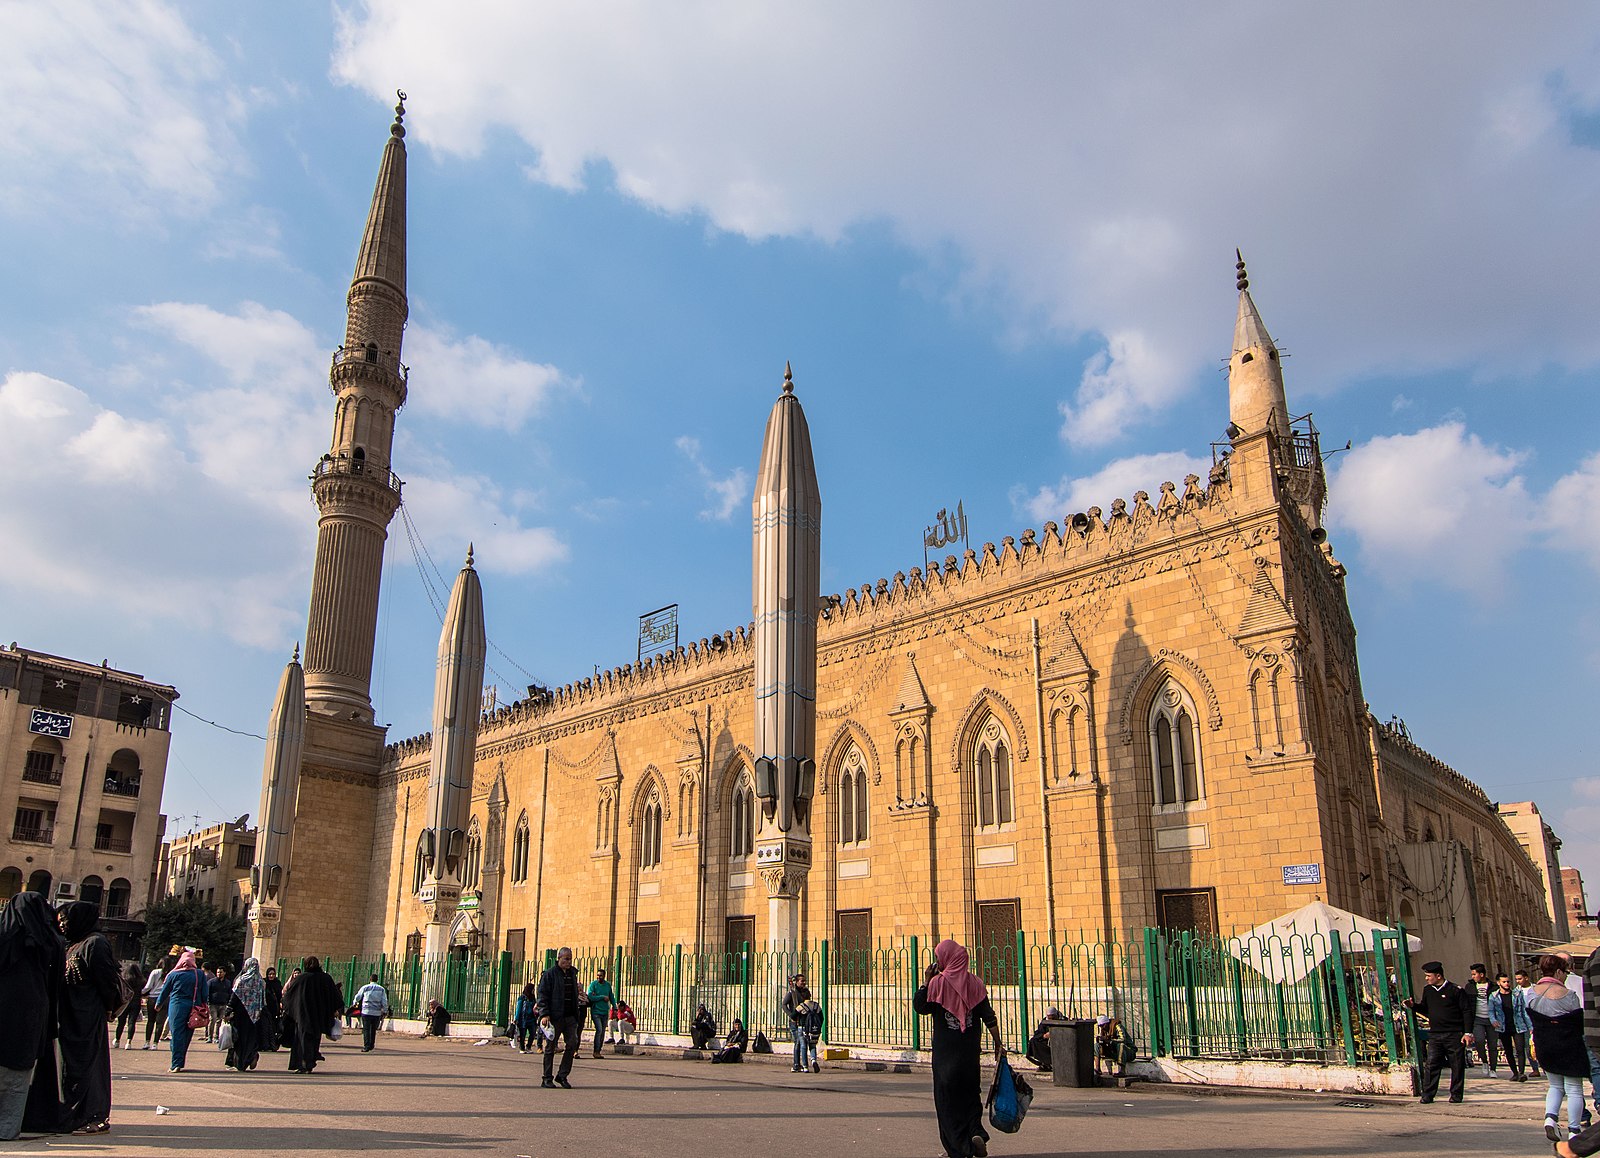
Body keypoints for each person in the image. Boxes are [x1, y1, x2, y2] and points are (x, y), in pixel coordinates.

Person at [914, 939, 1005, 1158]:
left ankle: (959, 1149)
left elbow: (920, 1006)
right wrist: (998, 1043)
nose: (938, 962)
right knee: (970, 1094)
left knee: (947, 1101)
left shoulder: (937, 984)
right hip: (969, 1053)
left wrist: (926, 980)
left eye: (939, 958)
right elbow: (988, 1017)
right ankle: (976, 1133)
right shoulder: (975, 984)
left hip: (946, 1056)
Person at [0, 891, 63, 1141]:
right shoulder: (51, 940)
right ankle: (7, 1130)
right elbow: (56, 984)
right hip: (32, 1014)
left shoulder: (3, 935)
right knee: (18, 1079)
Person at [56, 901, 122, 1134]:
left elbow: (107, 982)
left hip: (87, 1015)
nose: (62, 924)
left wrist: (107, 1008)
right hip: (71, 1015)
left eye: (66, 919)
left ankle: (95, 1116)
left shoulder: (96, 944)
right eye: (60, 920)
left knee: (90, 1066)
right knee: (71, 1067)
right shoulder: (74, 944)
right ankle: (74, 1114)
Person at [1530, 954, 1588, 1143]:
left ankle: (1550, 1117)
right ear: (1558, 972)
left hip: (1544, 1044)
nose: (1565, 976)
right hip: (1569, 1046)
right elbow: (1577, 1021)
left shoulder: (1530, 993)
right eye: (1564, 972)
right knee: (1574, 1089)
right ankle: (1574, 1129)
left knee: (1555, 1085)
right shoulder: (1569, 995)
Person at [1405, 960, 1474, 1104]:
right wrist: (1413, 1006)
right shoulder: (1428, 990)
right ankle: (1428, 1095)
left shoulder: (1456, 990)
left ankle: (1456, 1095)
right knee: (1432, 1065)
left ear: (1438, 976)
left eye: (1428, 975)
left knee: (1456, 1065)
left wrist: (1468, 1032)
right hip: (1436, 1034)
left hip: (1454, 1034)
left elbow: (1467, 1011)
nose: (1426, 978)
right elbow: (1426, 1009)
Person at [282, 956, 342, 1074]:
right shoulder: (325, 978)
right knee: (315, 1039)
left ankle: (303, 1063)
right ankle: (310, 1062)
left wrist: (290, 1009)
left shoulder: (301, 979)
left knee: (302, 1039)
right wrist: (333, 1010)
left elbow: (289, 996)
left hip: (303, 1015)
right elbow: (335, 996)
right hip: (318, 1016)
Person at [537, 946, 586, 1089]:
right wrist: (544, 1014)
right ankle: (547, 1078)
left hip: (570, 1017)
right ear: (559, 958)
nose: (568, 962)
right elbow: (542, 995)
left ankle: (562, 1075)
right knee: (550, 1048)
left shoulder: (572, 974)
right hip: (555, 1017)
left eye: (570, 959)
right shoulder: (550, 974)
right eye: (566, 959)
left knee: (572, 1044)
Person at [156, 950, 206, 1073]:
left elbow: (165, 991)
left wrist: (158, 1004)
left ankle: (176, 1063)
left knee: (177, 1034)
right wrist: (203, 1005)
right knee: (187, 1034)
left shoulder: (174, 974)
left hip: (177, 1006)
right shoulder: (199, 974)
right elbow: (204, 992)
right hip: (194, 1008)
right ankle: (180, 1060)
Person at [225, 958, 266, 1073]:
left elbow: (234, 996)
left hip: (240, 1014)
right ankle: (251, 1056)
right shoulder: (260, 982)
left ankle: (240, 1063)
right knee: (251, 1038)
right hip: (255, 1016)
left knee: (239, 1039)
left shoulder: (241, 980)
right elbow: (263, 1000)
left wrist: (228, 1010)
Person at [1488, 972, 1530, 1082]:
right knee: (1508, 1050)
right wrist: (1493, 1020)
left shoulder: (1516, 994)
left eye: (1508, 981)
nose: (1507, 984)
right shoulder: (1494, 996)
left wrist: (1530, 1026)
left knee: (1520, 1049)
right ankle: (1515, 1073)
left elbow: (1523, 1010)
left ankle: (1521, 1073)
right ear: (1498, 983)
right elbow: (1491, 1011)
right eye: (1504, 982)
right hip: (1503, 1026)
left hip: (1517, 1025)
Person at [1466, 963, 1497, 1075]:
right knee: (1479, 1041)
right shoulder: (1469, 987)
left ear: (1482, 974)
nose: (1473, 977)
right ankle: (1484, 1062)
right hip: (1477, 1019)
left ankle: (1493, 1068)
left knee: (1492, 1045)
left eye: (1475, 974)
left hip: (1491, 1019)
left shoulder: (1493, 987)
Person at [783, 973, 813, 1074]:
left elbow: (809, 1003)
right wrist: (791, 1015)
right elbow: (784, 1004)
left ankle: (800, 1064)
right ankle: (796, 1064)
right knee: (798, 1042)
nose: (804, 983)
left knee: (803, 1042)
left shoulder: (806, 992)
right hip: (794, 1021)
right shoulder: (792, 992)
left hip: (804, 1020)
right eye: (802, 981)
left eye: (804, 981)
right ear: (797, 982)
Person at [112, 960, 144, 1049]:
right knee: (132, 1022)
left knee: (121, 1023)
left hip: (125, 1002)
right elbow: (145, 990)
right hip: (136, 1002)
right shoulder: (141, 980)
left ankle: (117, 1040)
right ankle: (129, 1042)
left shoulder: (124, 979)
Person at [140, 956, 170, 1049]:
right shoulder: (170, 974)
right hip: (165, 999)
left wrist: (140, 992)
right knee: (160, 1022)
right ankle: (155, 1043)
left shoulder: (155, 972)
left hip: (153, 998)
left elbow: (148, 986)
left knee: (150, 1021)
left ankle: (147, 1042)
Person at [354, 973, 388, 1052]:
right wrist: (385, 1010)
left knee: (366, 1029)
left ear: (370, 979)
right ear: (377, 980)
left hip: (366, 1011)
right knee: (373, 1029)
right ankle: (372, 1045)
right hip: (376, 1012)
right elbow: (384, 1001)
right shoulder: (381, 989)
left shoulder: (365, 987)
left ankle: (366, 1046)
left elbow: (358, 996)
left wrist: (355, 1003)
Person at [1096, 1014, 1136, 1080]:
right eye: (1100, 1026)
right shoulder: (1104, 1030)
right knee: (1096, 1045)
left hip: (1128, 1052)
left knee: (1120, 1045)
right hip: (1115, 1052)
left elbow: (1123, 1039)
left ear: (1107, 1023)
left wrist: (1110, 1041)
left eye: (1103, 1025)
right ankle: (1097, 1069)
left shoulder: (1117, 1026)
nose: (1102, 1028)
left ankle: (1122, 1071)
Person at [586, 968, 615, 1057]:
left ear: (604, 976)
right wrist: (602, 997)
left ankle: (598, 1051)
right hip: (596, 1011)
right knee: (599, 1030)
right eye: (598, 975)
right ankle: (595, 1050)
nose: (599, 977)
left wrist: (614, 1006)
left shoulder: (607, 985)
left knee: (602, 1032)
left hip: (604, 1011)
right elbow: (590, 996)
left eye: (600, 975)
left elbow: (611, 996)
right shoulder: (593, 985)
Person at [1025, 1007, 1062, 1072]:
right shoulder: (1044, 1022)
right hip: (1047, 1043)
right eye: (1049, 1018)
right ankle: (1045, 1064)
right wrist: (1044, 1036)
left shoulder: (1062, 1020)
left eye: (1052, 1017)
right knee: (1033, 1041)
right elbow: (1038, 1033)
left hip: (1059, 1043)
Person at [796, 995, 825, 1073]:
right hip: (814, 1030)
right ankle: (813, 1060)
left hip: (802, 1029)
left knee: (803, 1046)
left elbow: (793, 1015)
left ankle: (805, 1067)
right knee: (812, 1046)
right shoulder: (816, 1006)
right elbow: (822, 1018)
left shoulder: (801, 1006)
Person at [206, 967, 232, 1044]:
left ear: (224, 973)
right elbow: (207, 992)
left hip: (223, 1004)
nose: (219, 974)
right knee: (212, 1019)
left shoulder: (227, 983)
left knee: (219, 1021)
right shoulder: (211, 982)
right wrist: (208, 1002)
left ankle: (216, 1037)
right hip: (213, 1004)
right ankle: (209, 1037)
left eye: (220, 972)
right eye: (218, 972)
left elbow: (229, 993)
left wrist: (228, 1003)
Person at [260, 967, 284, 1052]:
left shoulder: (277, 983)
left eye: (273, 974)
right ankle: (265, 1045)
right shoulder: (264, 983)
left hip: (274, 1009)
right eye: (270, 974)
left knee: (274, 1028)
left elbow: (280, 996)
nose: (271, 976)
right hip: (265, 1009)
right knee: (265, 1028)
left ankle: (273, 1045)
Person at [513, 984, 539, 1052]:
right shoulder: (522, 998)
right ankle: (522, 1048)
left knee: (533, 1033)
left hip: (532, 1019)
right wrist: (516, 1018)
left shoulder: (533, 997)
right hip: (523, 1019)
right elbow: (519, 1008)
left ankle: (528, 1046)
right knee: (522, 1034)